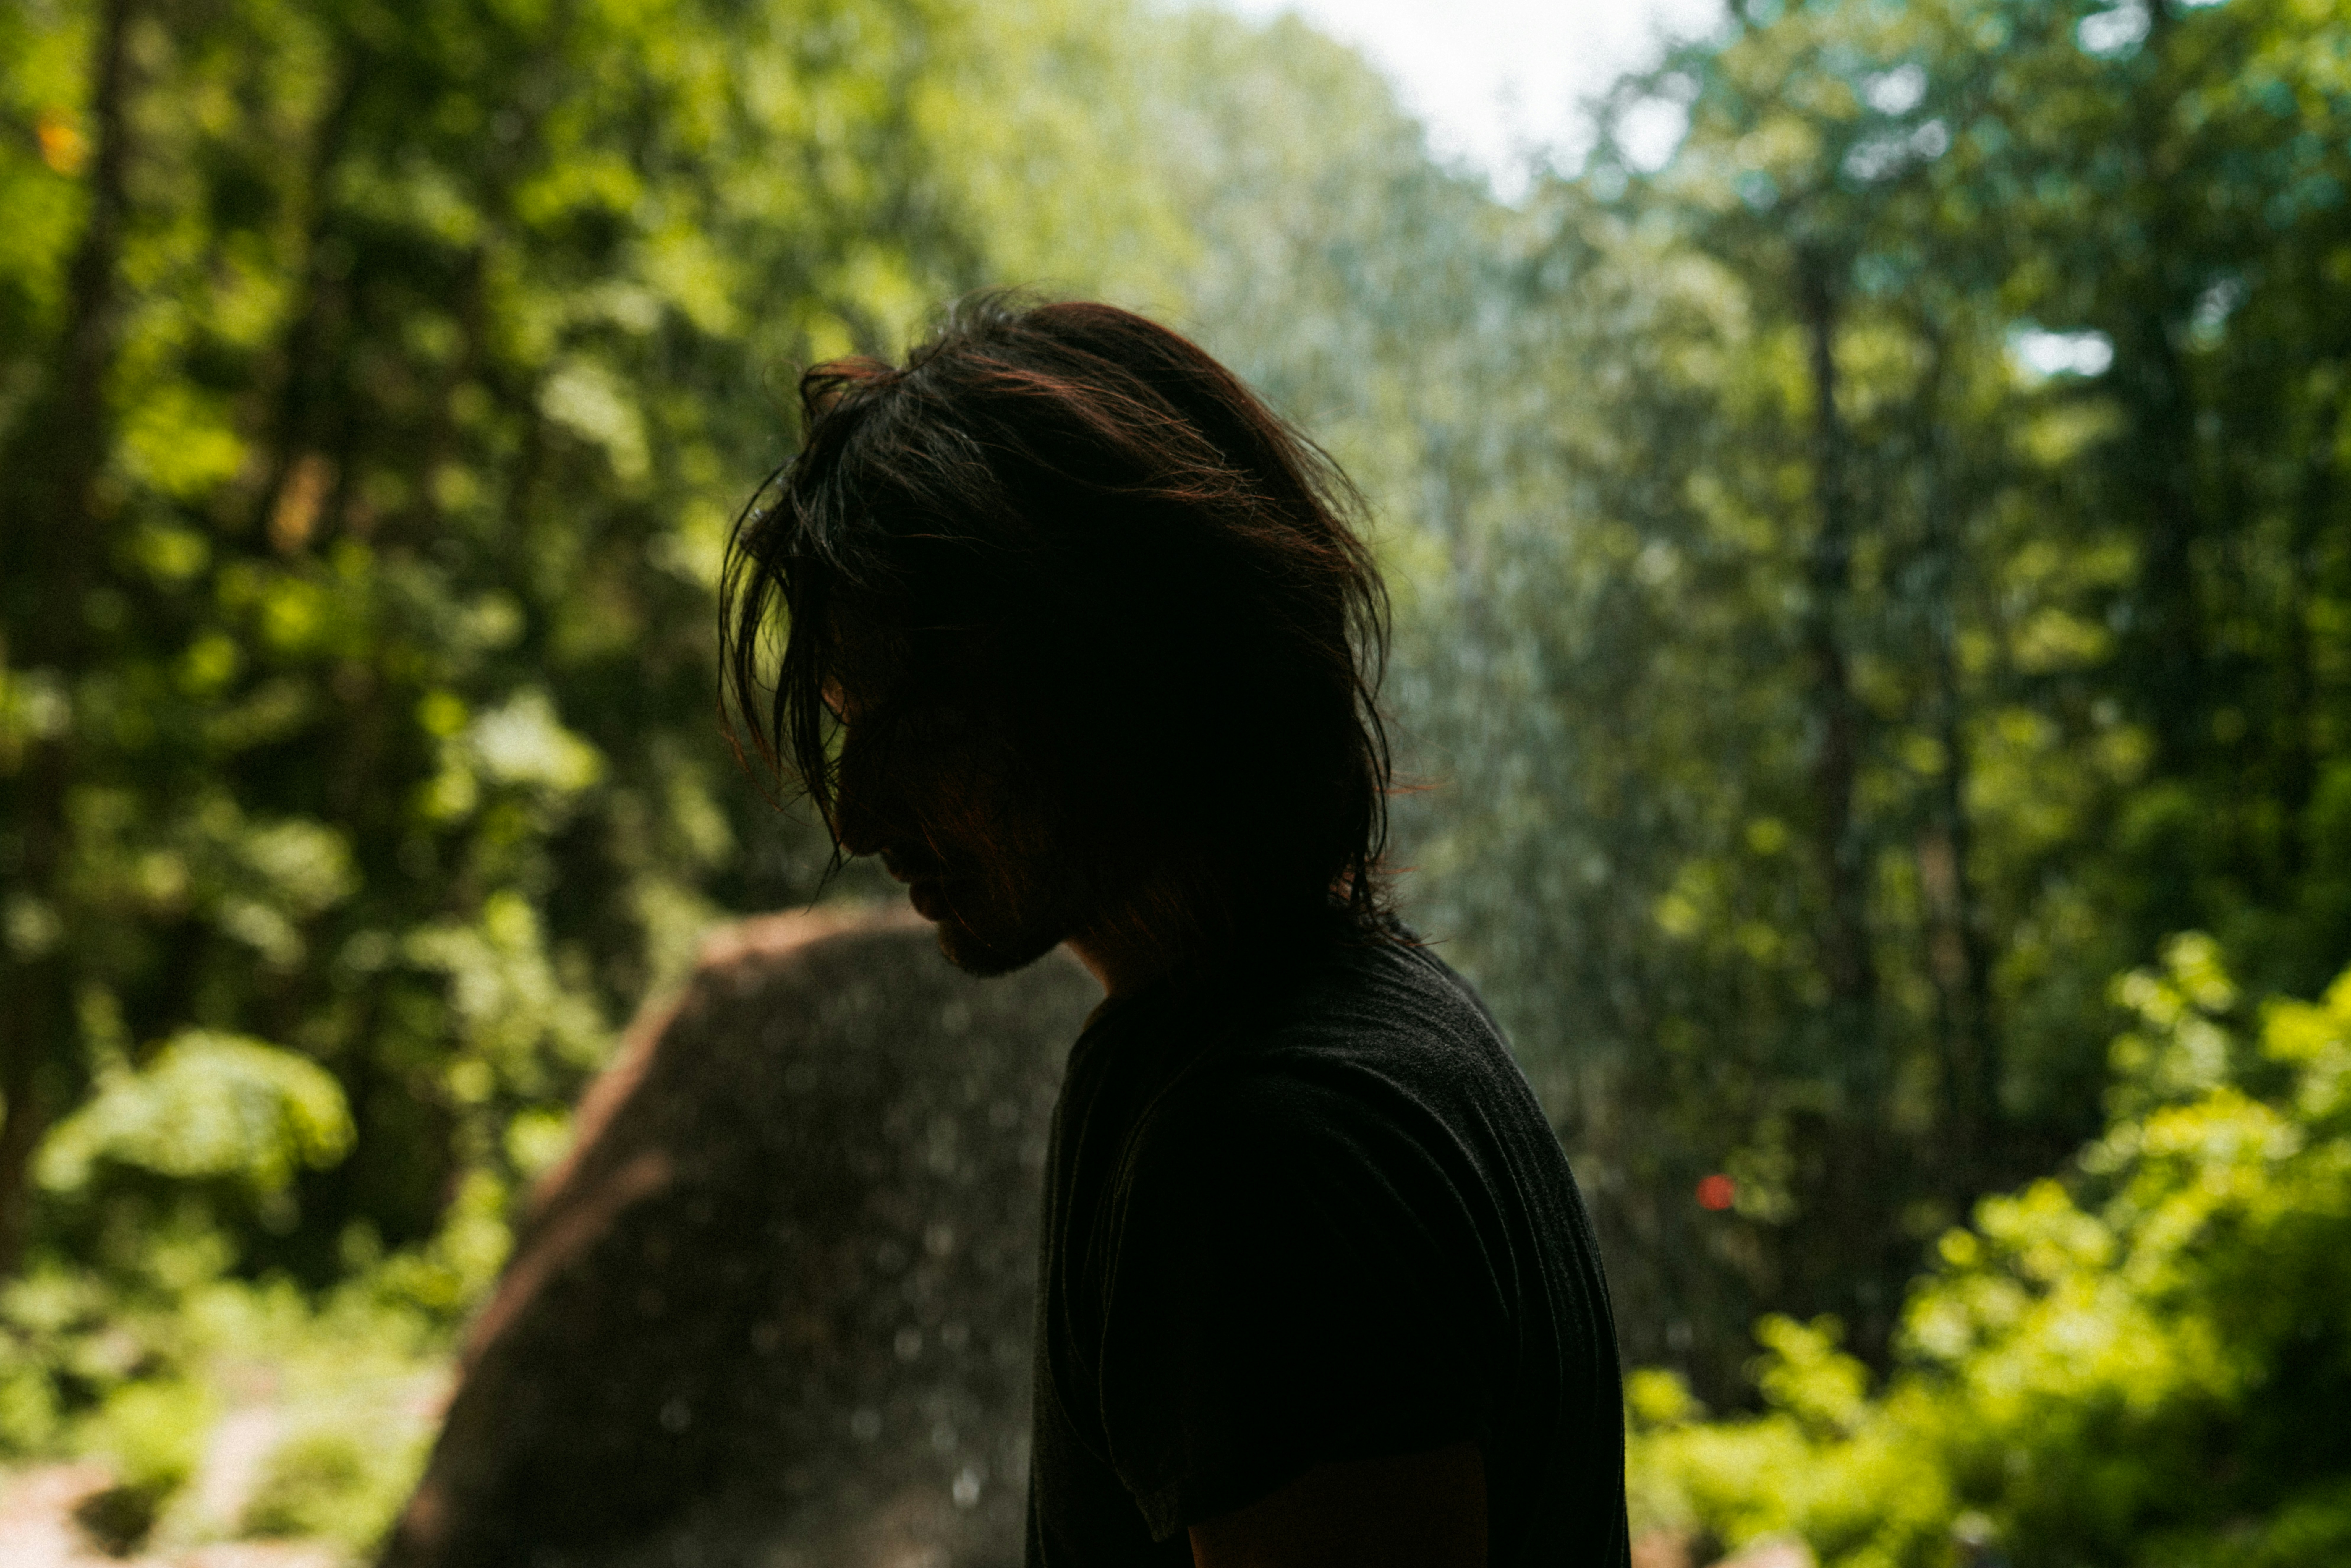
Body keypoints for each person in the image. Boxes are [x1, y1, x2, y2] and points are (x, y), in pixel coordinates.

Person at [720, 294, 1629, 1567]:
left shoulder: (1264, 1153)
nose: (861, 815)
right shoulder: (1284, 1028)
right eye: (845, 725)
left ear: (1131, 678)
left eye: (922, 725)